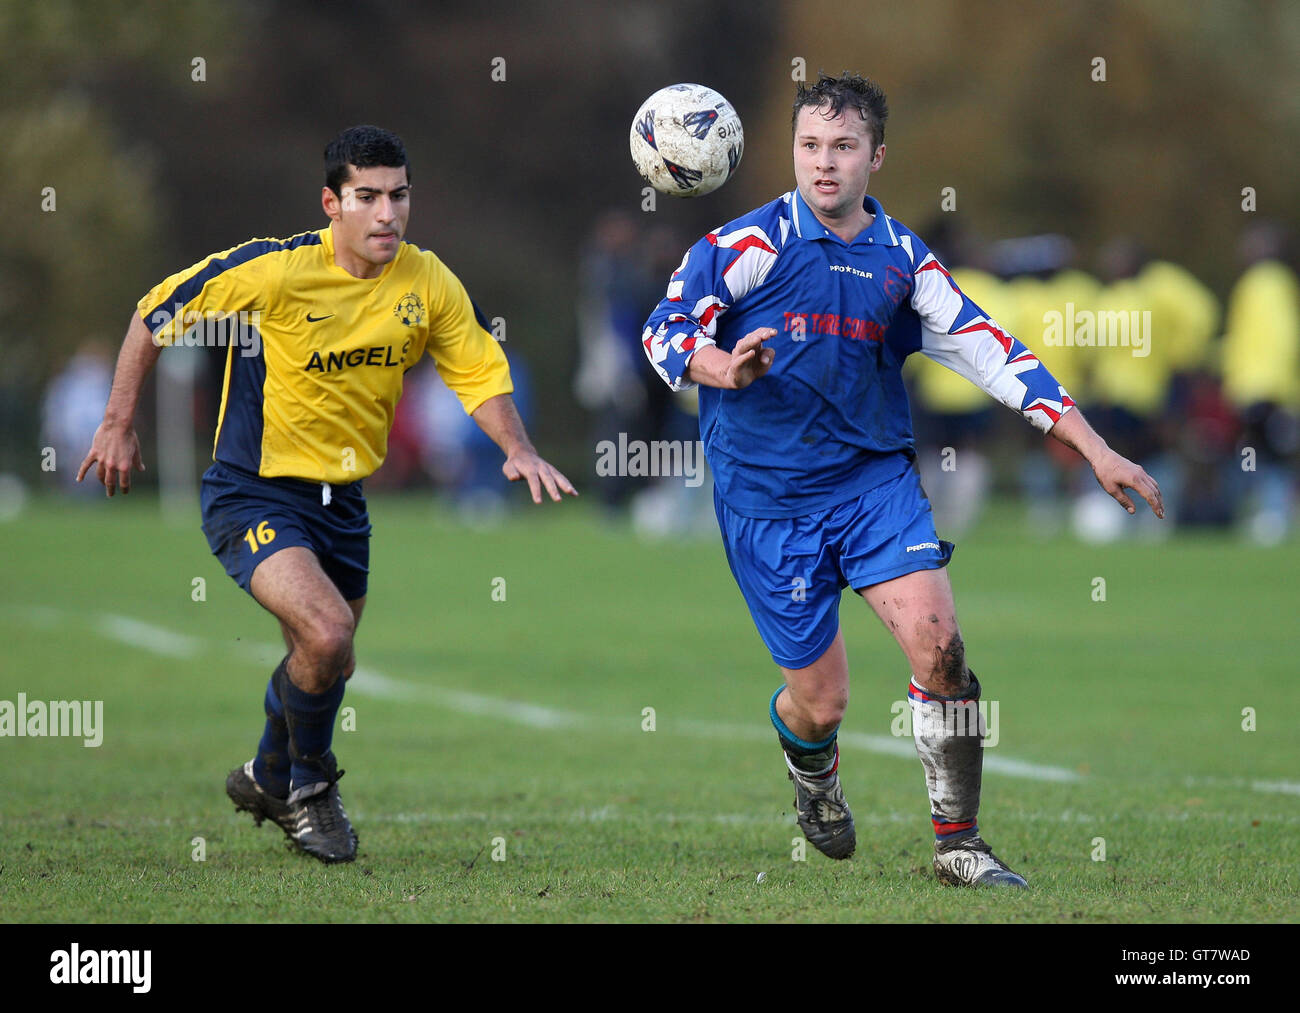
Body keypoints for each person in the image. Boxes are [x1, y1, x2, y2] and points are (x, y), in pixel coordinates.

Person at [641, 73, 1162, 888]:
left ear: (875, 157)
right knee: (821, 705)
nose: (824, 164)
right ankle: (813, 774)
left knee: (941, 650)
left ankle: (960, 845)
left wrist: (1095, 448)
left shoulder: (902, 260)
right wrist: (723, 368)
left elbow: (995, 351)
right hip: (767, 501)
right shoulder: (740, 246)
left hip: (873, 486)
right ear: (792, 152)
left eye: (843, 147)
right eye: (810, 146)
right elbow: (665, 329)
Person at [77, 125, 576, 864]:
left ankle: (266, 772)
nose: (387, 215)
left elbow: (478, 369)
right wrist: (117, 421)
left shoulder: (427, 280)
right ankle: (309, 789)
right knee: (328, 632)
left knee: (326, 658)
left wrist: (518, 448)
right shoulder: (275, 272)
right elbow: (155, 312)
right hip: (253, 491)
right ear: (331, 204)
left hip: (343, 501)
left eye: (399, 196)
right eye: (367, 197)